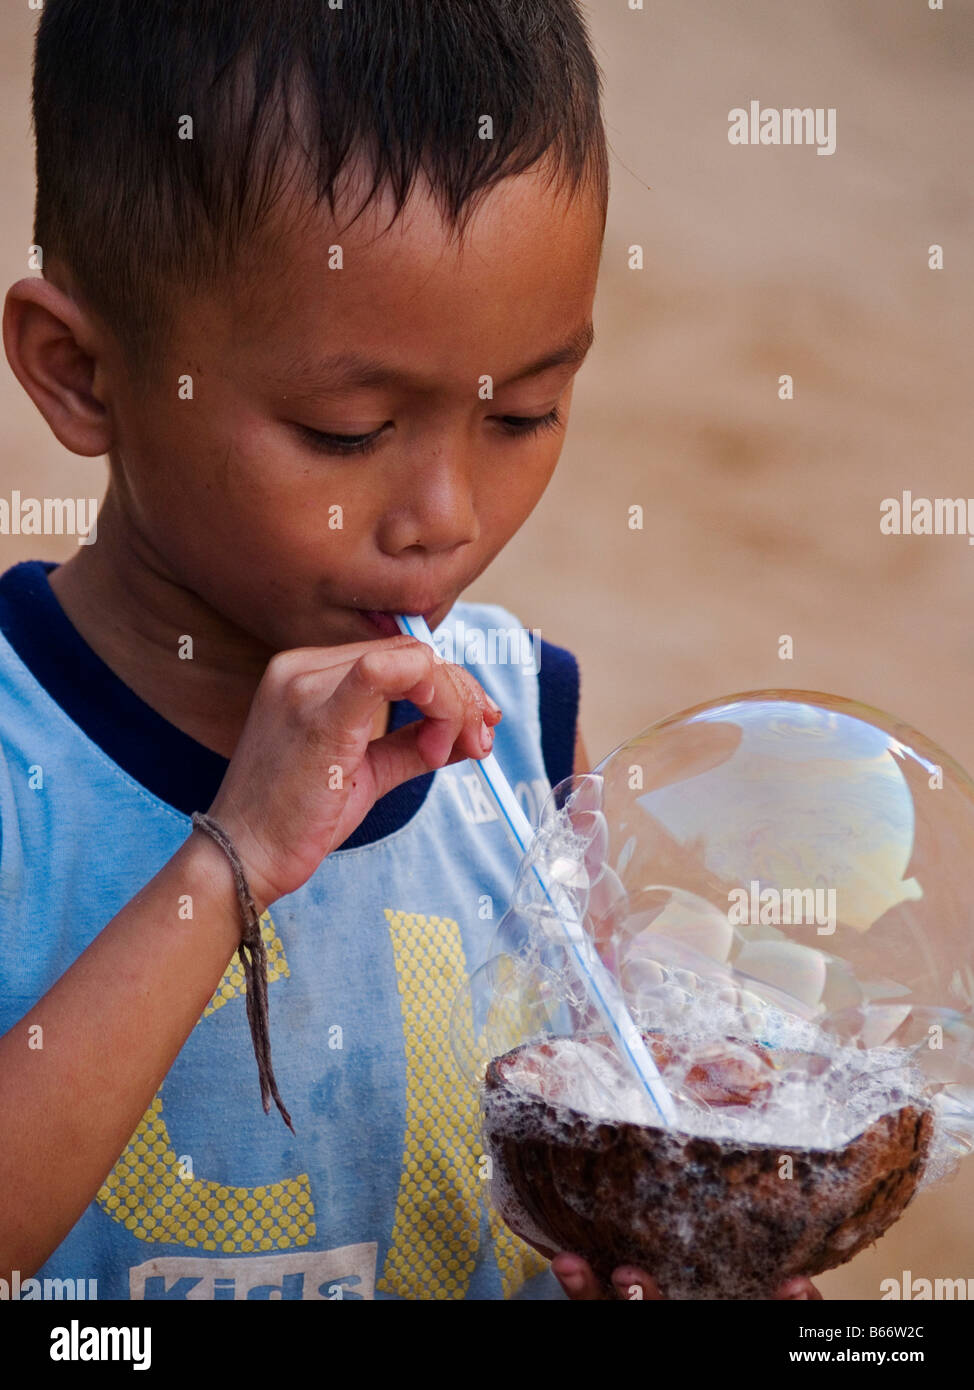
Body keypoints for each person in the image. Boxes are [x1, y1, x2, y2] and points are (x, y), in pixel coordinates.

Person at [0, 0, 818, 1301]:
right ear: (81, 375)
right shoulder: (15, 760)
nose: (443, 516)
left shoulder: (525, 731)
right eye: (347, 428)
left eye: (527, 411)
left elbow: (594, 1143)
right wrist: (231, 860)